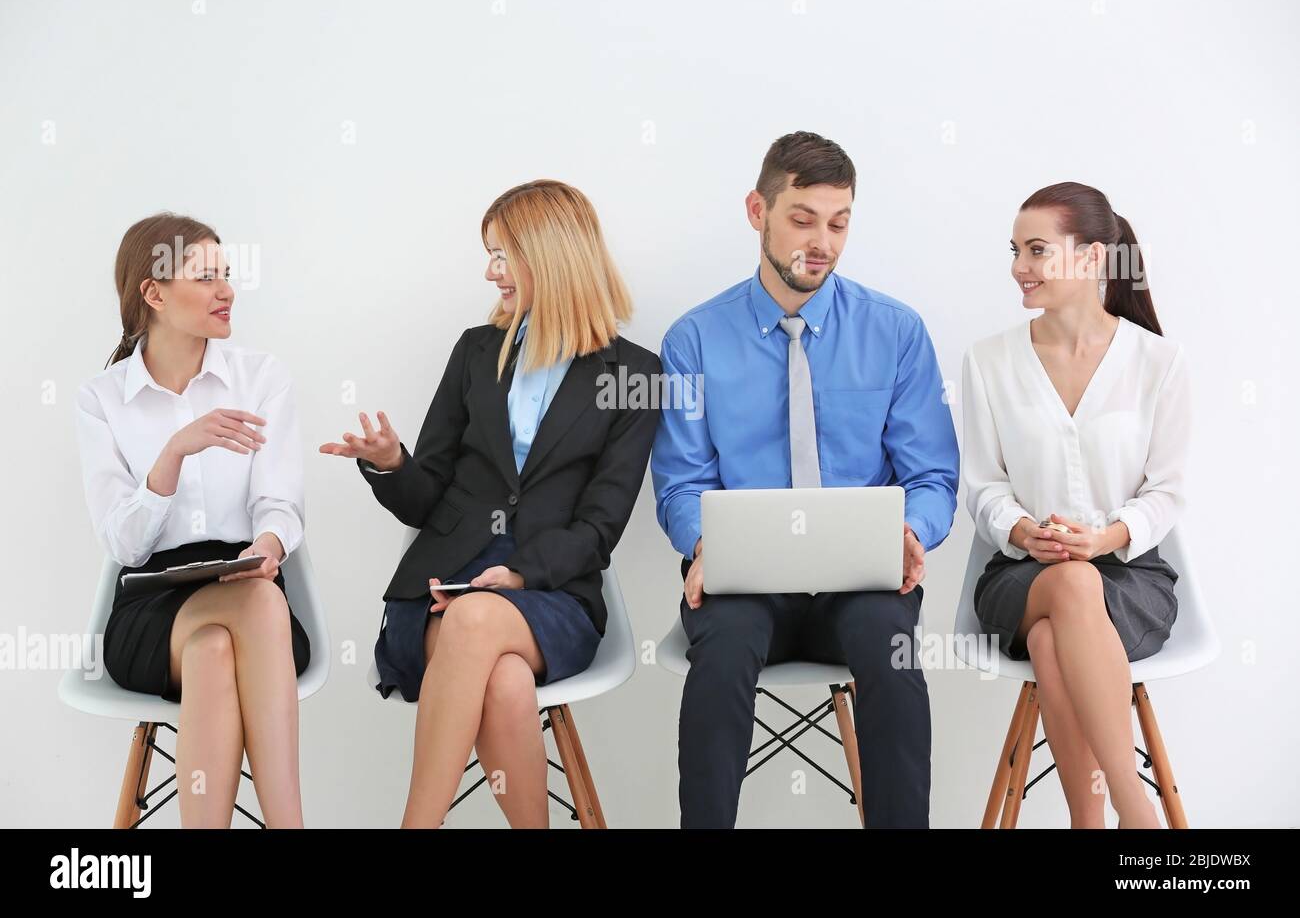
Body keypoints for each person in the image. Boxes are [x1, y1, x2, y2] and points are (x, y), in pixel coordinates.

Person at [321, 180, 660, 828]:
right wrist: (393, 463)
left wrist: (523, 574)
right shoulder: (476, 351)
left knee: (479, 623)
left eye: (503, 254)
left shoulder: (634, 375)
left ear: (550, 256)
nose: (489, 271)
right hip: (438, 588)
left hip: (552, 591)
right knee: (503, 680)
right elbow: (428, 499)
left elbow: (600, 526)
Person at [651, 132, 960, 828]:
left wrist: (911, 532)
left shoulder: (896, 332)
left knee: (893, 653)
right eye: (802, 218)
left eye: (839, 222)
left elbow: (933, 475)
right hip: (743, 586)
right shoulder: (694, 340)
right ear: (757, 210)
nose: (822, 241)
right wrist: (702, 545)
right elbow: (680, 485)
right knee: (722, 658)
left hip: (860, 586)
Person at [962, 181, 1190, 828]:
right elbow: (982, 488)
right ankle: (1132, 806)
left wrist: (1109, 536)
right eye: (1015, 250)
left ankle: (1090, 822)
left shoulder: (1159, 363)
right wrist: (1024, 530)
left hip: (1129, 577)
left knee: (1053, 638)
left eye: (1037, 250)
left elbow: (1168, 492)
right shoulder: (987, 362)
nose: (1017, 268)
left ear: (1092, 259)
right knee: (1064, 587)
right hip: (1020, 575)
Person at [75, 213, 310, 828]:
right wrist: (173, 452)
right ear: (154, 294)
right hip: (152, 603)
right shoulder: (100, 399)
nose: (227, 291)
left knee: (219, 644)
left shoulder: (262, 378)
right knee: (253, 609)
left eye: (226, 275)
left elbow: (280, 506)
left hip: (247, 574)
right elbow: (124, 542)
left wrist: (266, 548)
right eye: (206, 278)